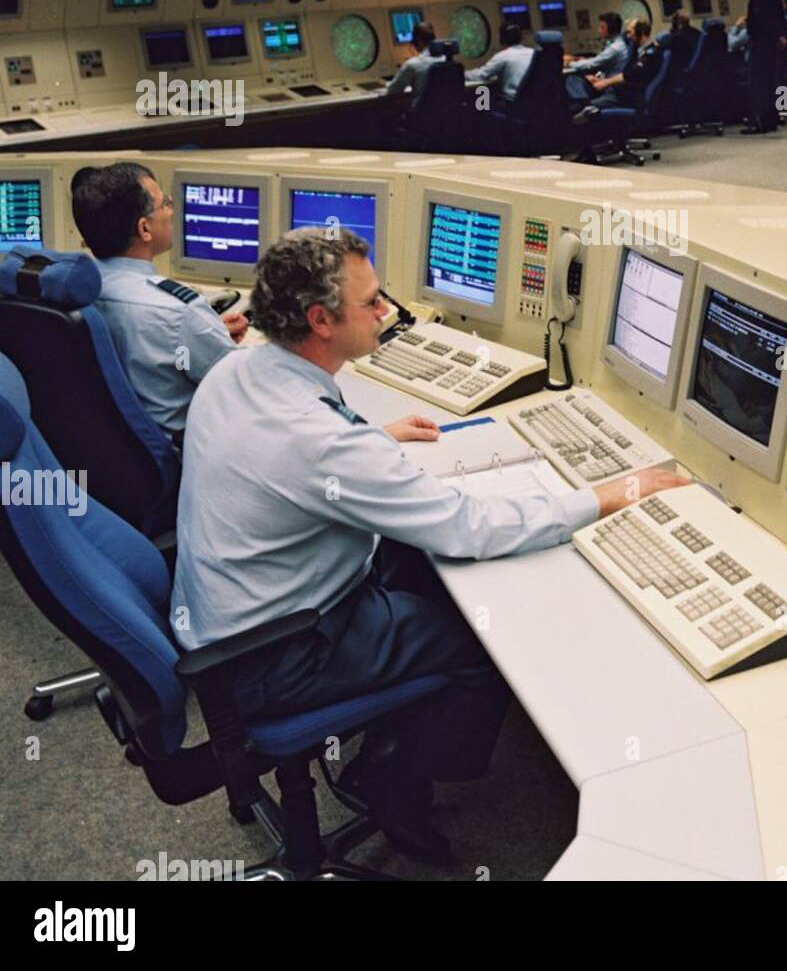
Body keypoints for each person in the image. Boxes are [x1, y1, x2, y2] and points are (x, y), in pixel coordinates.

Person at [170, 228, 687, 862]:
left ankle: (385, 742)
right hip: (278, 656)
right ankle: (395, 775)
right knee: (492, 642)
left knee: (411, 563)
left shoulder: (241, 369)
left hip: (228, 624)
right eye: (370, 302)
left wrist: (373, 443)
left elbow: (294, 459)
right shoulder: (320, 441)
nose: (386, 310)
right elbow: (464, 526)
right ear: (319, 320)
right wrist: (603, 497)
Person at [69, 162, 247, 443]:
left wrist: (207, 333)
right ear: (145, 229)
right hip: (175, 461)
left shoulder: (74, 293)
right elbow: (244, 386)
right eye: (165, 203)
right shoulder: (180, 311)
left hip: (110, 456)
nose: (171, 210)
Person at [742, 0, 785, 134]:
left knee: (757, 83)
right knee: (770, 82)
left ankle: (759, 122)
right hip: (771, 44)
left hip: (760, 44)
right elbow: (779, 16)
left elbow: (757, 21)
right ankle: (771, 119)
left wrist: (747, 28)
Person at [564, 12, 630, 108]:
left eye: (602, 27)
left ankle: (583, 108)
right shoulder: (615, 44)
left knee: (577, 105)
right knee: (573, 80)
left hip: (614, 93)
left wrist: (569, 63)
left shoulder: (615, 48)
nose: (599, 30)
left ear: (609, 29)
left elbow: (593, 64)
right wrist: (599, 76)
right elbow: (606, 64)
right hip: (608, 85)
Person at [463, 22, 535, 102]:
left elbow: (481, 75)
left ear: (502, 39)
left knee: (481, 99)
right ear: (521, 38)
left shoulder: (503, 56)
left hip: (512, 102)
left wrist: (461, 74)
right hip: (533, 102)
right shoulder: (534, 53)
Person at [384, 21, 438, 101]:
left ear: (416, 41)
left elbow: (392, 91)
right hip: (448, 111)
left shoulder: (412, 64)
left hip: (422, 112)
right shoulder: (448, 61)